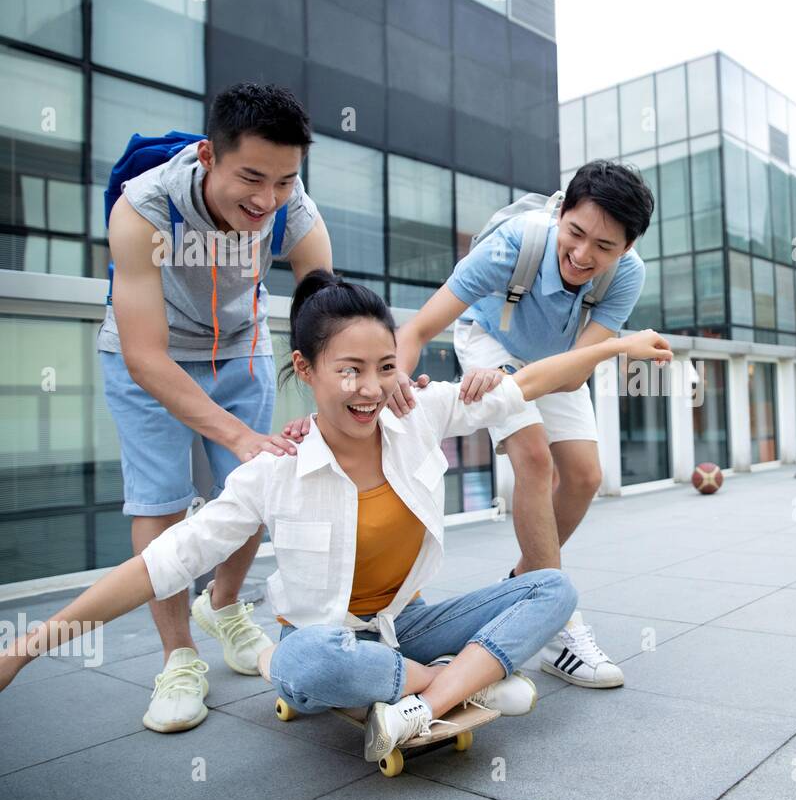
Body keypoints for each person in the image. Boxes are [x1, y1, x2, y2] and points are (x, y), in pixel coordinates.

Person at [0, 272, 674, 761]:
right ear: (306, 368)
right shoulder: (274, 470)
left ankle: (423, 700)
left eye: (384, 367)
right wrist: (23, 650)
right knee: (304, 662)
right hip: (329, 638)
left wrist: (617, 348)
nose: (371, 388)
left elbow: (530, 382)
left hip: (405, 625)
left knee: (552, 587)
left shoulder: (416, 414)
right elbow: (160, 565)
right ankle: (461, 685)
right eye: (350, 370)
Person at [283, 160, 655, 688]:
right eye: (575, 233)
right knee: (533, 456)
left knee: (585, 475)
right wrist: (391, 388)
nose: (582, 254)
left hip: (558, 363)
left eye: (604, 246)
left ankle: (527, 581)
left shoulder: (627, 275)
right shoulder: (515, 245)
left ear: (627, 247)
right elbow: (418, 329)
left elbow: (573, 373)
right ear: (560, 214)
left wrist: (512, 382)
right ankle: (558, 625)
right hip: (489, 342)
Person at [101, 81, 334, 732]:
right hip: (149, 354)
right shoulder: (143, 209)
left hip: (240, 345)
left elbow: (324, 306)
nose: (267, 200)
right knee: (160, 503)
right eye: (251, 178)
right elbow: (145, 356)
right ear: (209, 156)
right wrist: (236, 435)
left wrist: (354, 384)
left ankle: (224, 605)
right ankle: (179, 657)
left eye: (284, 180)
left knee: (258, 484)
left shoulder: (292, 207)